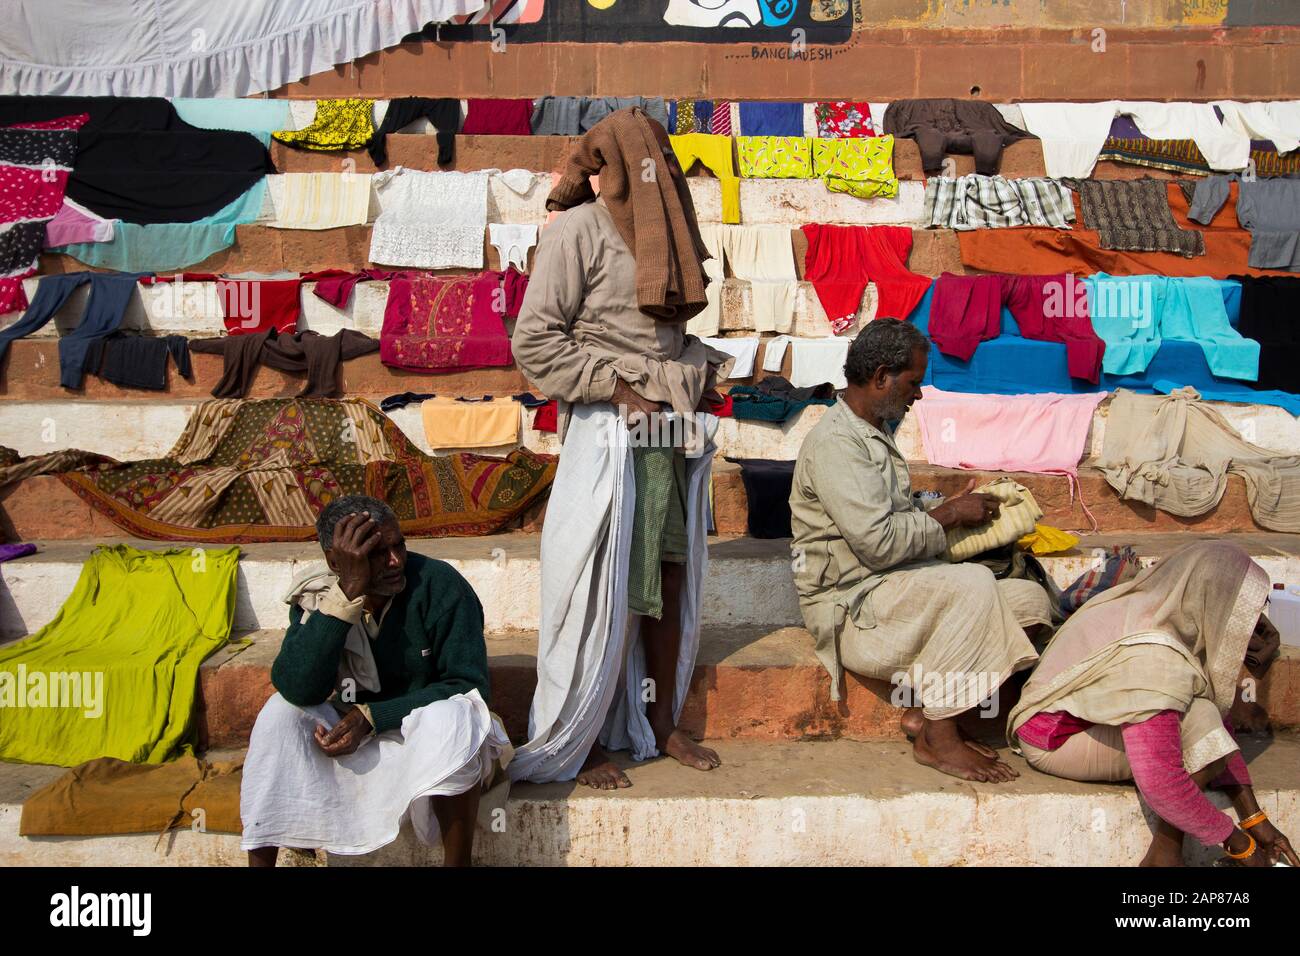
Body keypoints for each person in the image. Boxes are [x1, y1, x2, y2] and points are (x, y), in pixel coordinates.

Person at [508, 107, 733, 790]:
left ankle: (661, 724)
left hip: (668, 434)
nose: (654, 176)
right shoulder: (576, 231)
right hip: (609, 433)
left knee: (666, 577)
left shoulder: (665, 234)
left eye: (662, 163)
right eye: (639, 164)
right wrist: (617, 389)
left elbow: (665, 340)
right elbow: (535, 340)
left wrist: (702, 371)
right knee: (604, 585)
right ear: (600, 171)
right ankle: (585, 734)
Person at [789, 319, 1052, 783]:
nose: (919, 394)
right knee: (972, 584)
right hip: (853, 607)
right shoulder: (836, 443)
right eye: (914, 382)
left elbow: (888, 520)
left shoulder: (874, 431)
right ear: (881, 376)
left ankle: (927, 716)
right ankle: (941, 737)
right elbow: (878, 544)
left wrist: (942, 508)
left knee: (1029, 602)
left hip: (893, 592)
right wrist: (949, 515)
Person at [239, 495, 510, 866]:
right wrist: (347, 593)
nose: (395, 561)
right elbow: (300, 688)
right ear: (337, 561)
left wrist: (373, 717)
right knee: (278, 714)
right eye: (377, 553)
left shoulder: (440, 585)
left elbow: (469, 685)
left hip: (424, 741)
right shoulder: (320, 595)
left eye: (398, 545)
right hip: (353, 744)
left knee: (456, 717)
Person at [1008, 540, 1299, 867]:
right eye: (1245, 610)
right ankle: (1164, 853)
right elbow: (1162, 784)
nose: (1252, 624)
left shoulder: (1160, 608)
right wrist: (1240, 844)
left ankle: (1164, 853)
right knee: (1200, 731)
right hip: (1057, 739)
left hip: (1075, 717)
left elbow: (1210, 716)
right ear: (1215, 600)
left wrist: (1255, 818)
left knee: (1203, 717)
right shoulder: (1154, 656)